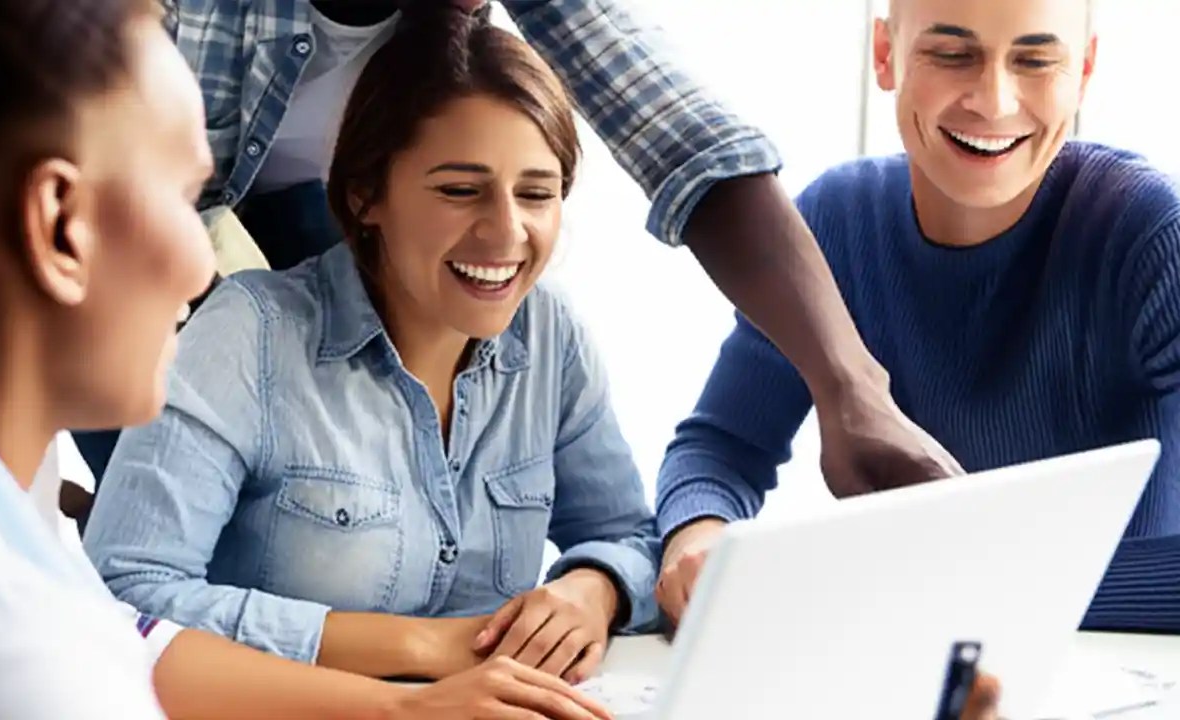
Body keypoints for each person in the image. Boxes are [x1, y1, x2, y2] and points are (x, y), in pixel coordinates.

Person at [0, 1, 620, 718]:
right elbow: (126, 609)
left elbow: (134, 638)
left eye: (538, 192)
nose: (203, 265)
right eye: (185, 197)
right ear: (60, 223)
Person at [70, 0, 966, 509]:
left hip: (319, 206)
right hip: (116, 207)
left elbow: (687, 139)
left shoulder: (550, 347)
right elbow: (60, 192)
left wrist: (851, 390)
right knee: (193, 515)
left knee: (361, 493)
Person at [83, 6, 658, 686]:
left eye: (537, 194)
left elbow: (629, 537)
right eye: (460, 190)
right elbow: (124, 597)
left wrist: (594, 588)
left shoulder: (550, 336)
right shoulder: (248, 336)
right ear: (363, 195)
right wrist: (422, 647)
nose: (506, 232)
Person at [653, 0, 1180, 634]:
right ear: (886, 54)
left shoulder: (1149, 233)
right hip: (908, 659)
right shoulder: (836, 221)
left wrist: (965, 588)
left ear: (1085, 71)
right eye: (952, 54)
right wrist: (698, 537)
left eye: (1037, 60)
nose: (994, 102)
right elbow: (723, 445)